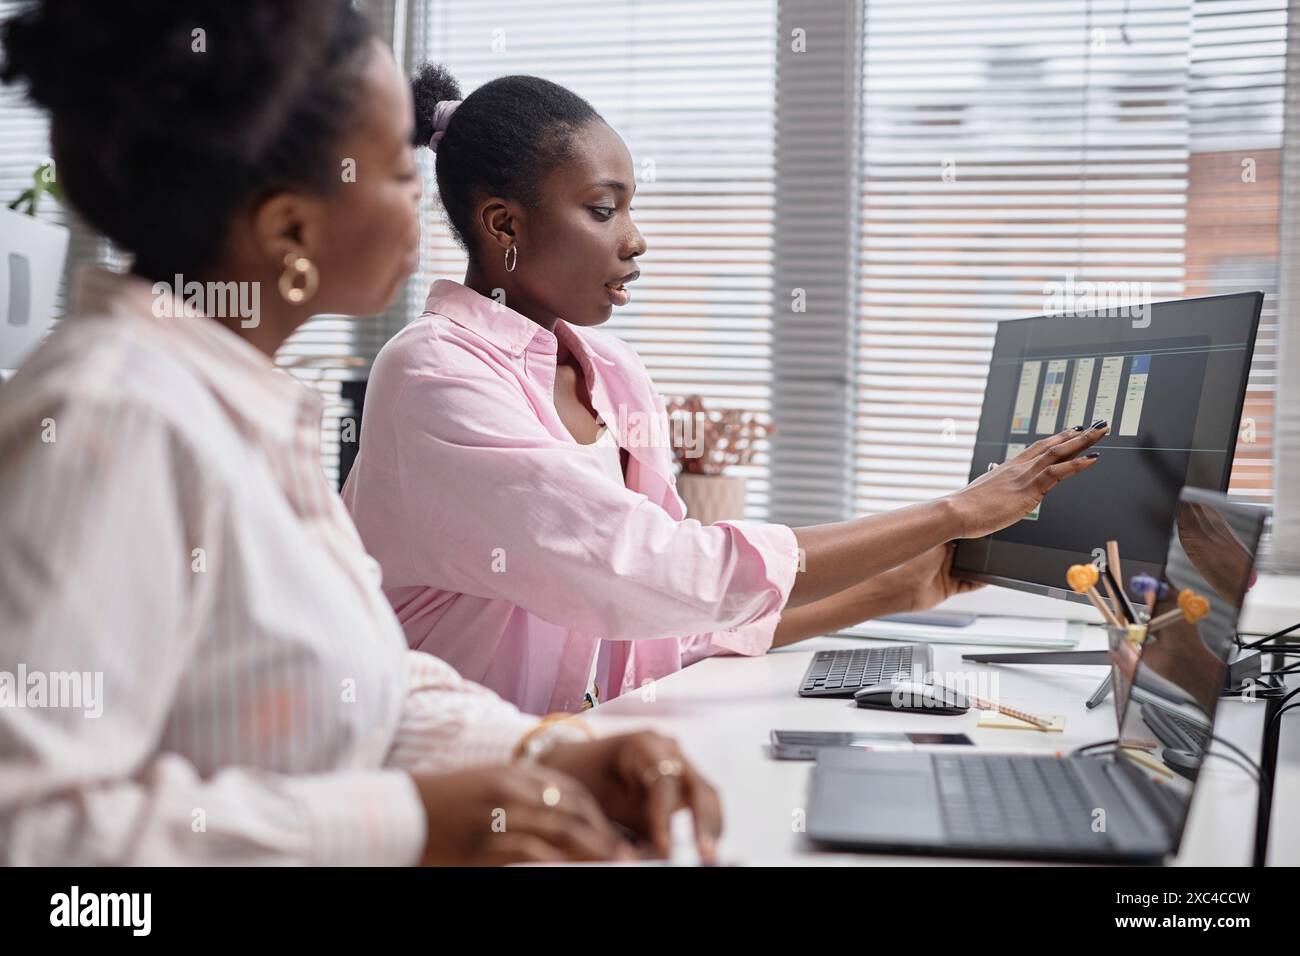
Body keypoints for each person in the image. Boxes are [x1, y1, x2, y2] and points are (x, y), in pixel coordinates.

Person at [0, 0, 719, 866]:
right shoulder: (112, 421)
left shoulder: (238, 407)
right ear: (290, 230)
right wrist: (408, 824)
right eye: (396, 177)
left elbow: (359, 691)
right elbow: (31, 829)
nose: (428, 206)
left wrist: (551, 753)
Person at [342, 63, 1110, 714]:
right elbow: (655, 572)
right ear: (504, 224)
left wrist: (893, 592)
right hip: (445, 797)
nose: (635, 238)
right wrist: (956, 510)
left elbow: (668, 621)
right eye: (603, 209)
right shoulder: (435, 377)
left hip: (563, 763)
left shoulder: (612, 375)